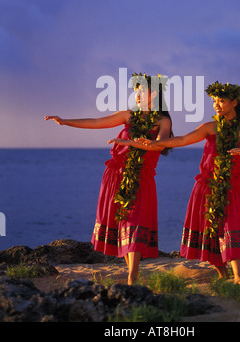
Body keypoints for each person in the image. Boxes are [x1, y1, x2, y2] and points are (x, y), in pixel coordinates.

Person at [111, 81, 240, 284]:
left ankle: (238, 276)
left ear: (234, 102)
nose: (216, 105)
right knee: (211, 233)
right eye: (214, 101)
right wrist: (155, 143)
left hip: (234, 188)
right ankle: (223, 275)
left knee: (231, 227)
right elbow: (181, 140)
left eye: (221, 101)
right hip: (207, 187)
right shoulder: (209, 127)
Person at [45, 73, 173, 285]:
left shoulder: (162, 121)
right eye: (136, 91)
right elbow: (96, 122)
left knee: (136, 222)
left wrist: (132, 142)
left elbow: (161, 145)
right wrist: (65, 121)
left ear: (155, 93)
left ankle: (133, 275)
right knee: (122, 223)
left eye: (142, 90)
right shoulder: (128, 115)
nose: (138, 95)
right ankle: (132, 272)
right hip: (116, 176)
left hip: (142, 177)